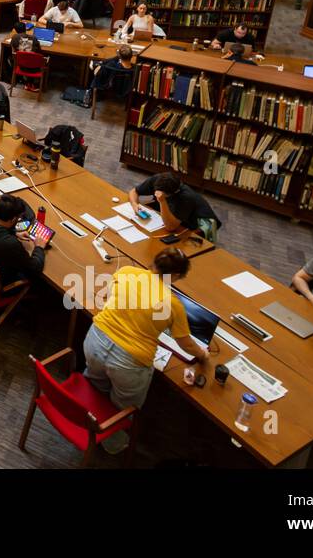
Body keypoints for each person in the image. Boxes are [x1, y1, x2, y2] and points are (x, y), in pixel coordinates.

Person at [83, 249, 207, 452]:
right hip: (129, 362)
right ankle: (112, 444)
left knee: (95, 385)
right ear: (175, 276)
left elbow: (109, 297)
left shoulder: (126, 272)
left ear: (154, 263)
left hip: (95, 340)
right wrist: (203, 355)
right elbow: (186, 344)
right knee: (122, 407)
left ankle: (87, 422)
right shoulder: (173, 304)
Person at [129, 171, 222, 239]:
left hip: (204, 225)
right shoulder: (159, 179)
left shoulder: (185, 198)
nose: (157, 193)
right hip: (181, 217)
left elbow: (170, 227)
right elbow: (134, 191)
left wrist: (162, 201)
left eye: (162, 194)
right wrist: (134, 204)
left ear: (175, 192)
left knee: (177, 243)